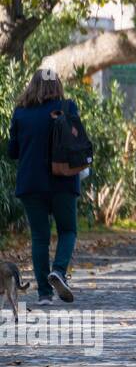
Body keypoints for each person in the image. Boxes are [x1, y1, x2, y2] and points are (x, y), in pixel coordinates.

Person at [6, 69, 82, 304]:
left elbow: (12, 152)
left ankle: (44, 295)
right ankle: (58, 271)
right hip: (63, 179)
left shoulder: (20, 113)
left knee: (40, 237)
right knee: (67, 230)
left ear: (33, 85)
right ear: (57, 84)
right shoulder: (67, 107)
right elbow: (78, 141)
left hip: (31, 182)